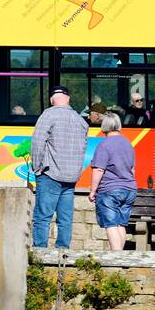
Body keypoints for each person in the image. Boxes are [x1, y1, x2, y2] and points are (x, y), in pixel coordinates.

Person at [29, 85, 89, 248]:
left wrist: (37, 167)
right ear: (68, 99)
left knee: (43, 217)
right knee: (65, 219)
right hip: (71, 177)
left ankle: (40, 253)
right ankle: (63, 252)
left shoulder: (48, 115)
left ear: (51, 100)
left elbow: (37, 143)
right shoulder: (80, 120)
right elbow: (83, 148)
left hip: (50, 173)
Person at [90, 112, 137, 251]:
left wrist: (93, 190)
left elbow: (98, 170)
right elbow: (132, 169)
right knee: (121, 224)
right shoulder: (128, 144)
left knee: (111, 224)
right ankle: (120, 258)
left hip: (110, 190)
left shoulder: (104, 145)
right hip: (129, 189)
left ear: (104, 126)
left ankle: (116, 260)